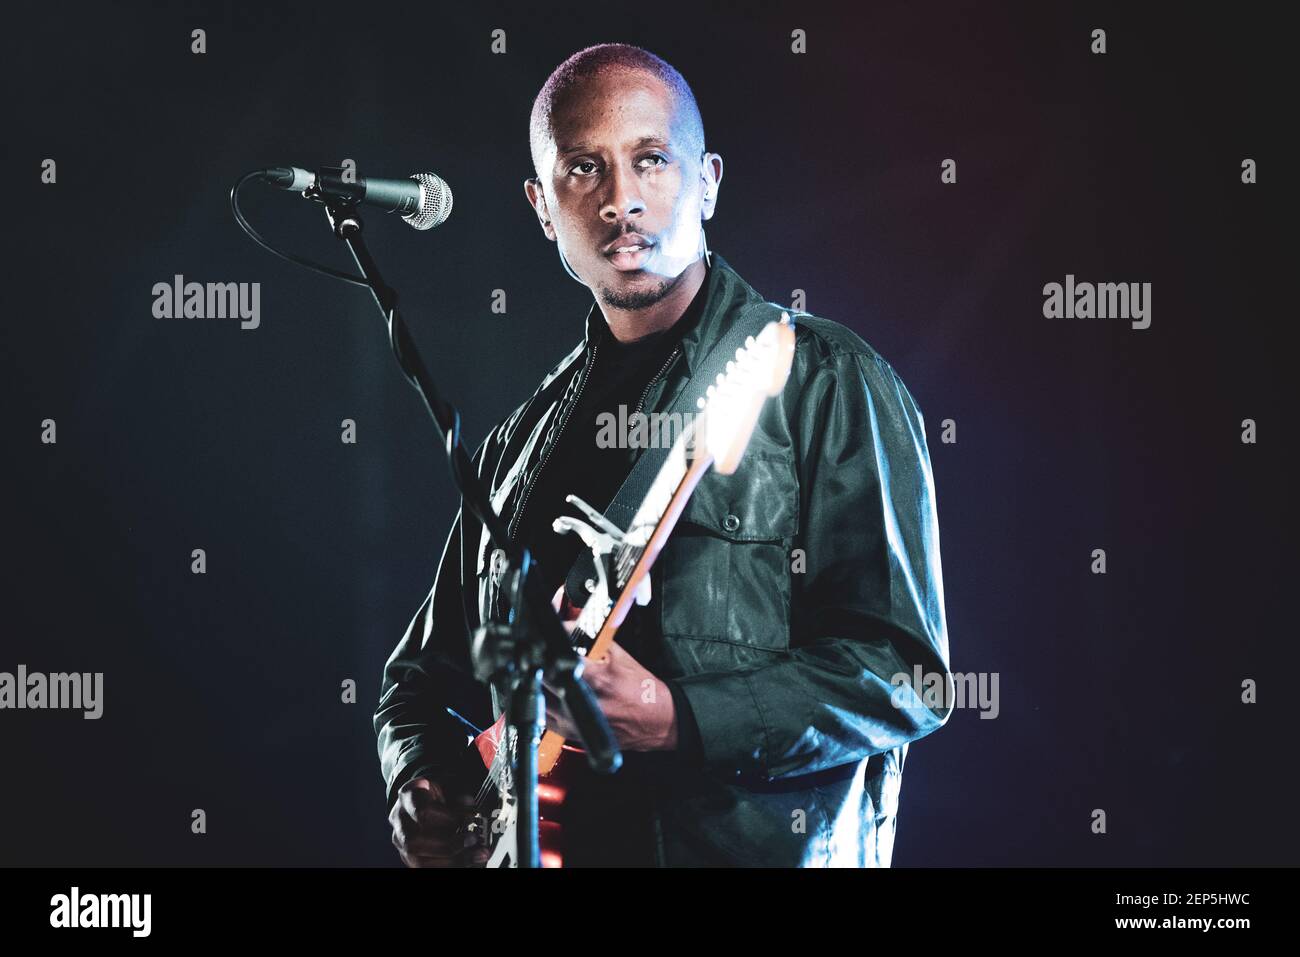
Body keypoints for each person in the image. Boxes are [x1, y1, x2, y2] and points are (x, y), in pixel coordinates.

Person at [376, 42, 953, 867]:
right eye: (584, 169)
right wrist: (418, 780)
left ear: (708, 180)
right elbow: (415, 686)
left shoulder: (821, 377)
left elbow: (907, 675)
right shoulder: (514, 446)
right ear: (543, 208)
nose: (621, 201)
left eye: (651, 160)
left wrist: (679, 716)